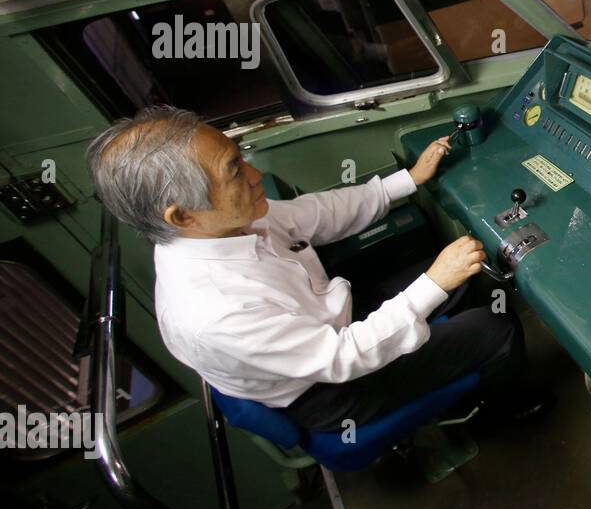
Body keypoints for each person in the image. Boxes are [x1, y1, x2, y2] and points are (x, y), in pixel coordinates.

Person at [85, 106, 549, 434]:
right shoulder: (211, 311)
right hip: (327, 386)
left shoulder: (225, 221)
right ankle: (501, 412)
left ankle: (463, 359)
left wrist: (405, 181)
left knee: (467, 280)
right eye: (233, 170)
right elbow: (341, 358)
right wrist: (433, 281)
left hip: (330, 320)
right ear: (182, 216)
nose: (252, 174)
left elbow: (315, 214)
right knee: (496, 329)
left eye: (238, 155)